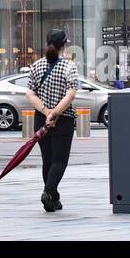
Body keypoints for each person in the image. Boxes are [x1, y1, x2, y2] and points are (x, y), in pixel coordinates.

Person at [24, 29, 79, 213]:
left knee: (47, 160)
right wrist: (55, 113)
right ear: (64, 45)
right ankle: (48, 192)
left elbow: (30, 93)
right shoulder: (69, 66)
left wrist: (46, 112)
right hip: (63, 119)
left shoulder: (36, 66)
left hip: (40, 119)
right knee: (59, 160)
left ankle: (53, 198)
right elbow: (71, 94)